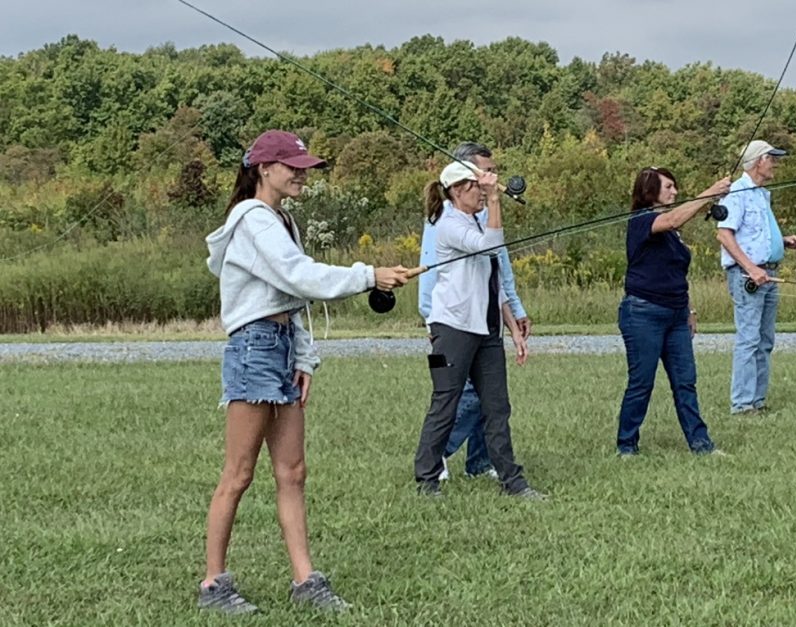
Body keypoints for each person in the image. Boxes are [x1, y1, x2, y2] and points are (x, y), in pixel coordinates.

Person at [200, 130, 409, 614]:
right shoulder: (252, 219)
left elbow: (291, 298)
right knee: (239, 473)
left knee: (292, 471)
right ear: (264, 169)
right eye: (293, 167)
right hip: (253, 349)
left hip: (281, 348)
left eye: (305, 168)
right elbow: (300, 275)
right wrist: (368, 275)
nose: (302, 175)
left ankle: (305, 581)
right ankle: (213, 585)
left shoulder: (282, 220)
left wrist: (302, 358)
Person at [413, 160, 543, 500]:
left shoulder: (475, 221)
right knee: (445, 401)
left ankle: (513, 481)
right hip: (450, 329)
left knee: (497, 407)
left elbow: (493, 280)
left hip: (487, 330)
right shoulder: (447, 225)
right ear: (457, 191)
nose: (483, 193)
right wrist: (496, 200)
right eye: (476, 188)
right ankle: (427, 478)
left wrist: (513, 328)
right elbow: (490, 245)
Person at [616, 167, 732, 456]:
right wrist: (711, 192)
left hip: (677, 315)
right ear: (650, 190)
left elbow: (675, 272)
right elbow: (673, 219)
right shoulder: (642, 221)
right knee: (642, 383)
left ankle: (701, 445)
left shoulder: (672, 235)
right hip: (643, 313)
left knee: (685, 381)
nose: (675, 191)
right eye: (668, 187)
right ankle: (626, 446)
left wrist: (689, 308)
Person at [717, 140, 796, 415]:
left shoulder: (761, 194)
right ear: (757, 161)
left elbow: (754, 233)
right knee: (749, 339)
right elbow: (724, 234)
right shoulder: (737, 192)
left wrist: (782, 240)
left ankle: (757, 400)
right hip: (748, 276)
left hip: (769, 274)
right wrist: (751, 268)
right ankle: (741, 404)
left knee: (765, 340)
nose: (775, 164)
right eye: (771, 158)